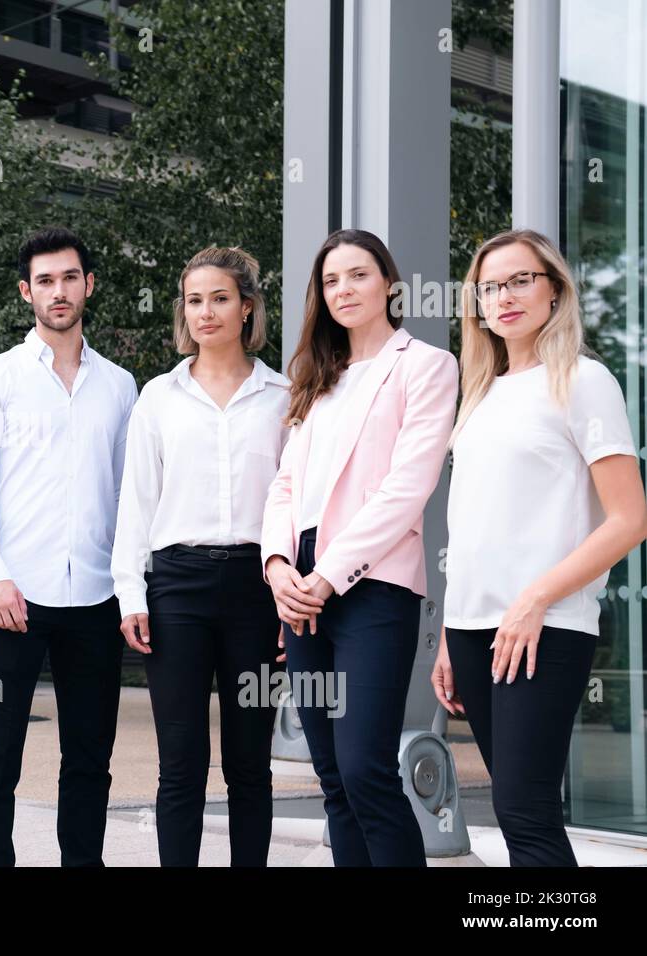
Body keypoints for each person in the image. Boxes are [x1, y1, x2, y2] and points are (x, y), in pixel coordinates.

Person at [433, 228, 647, 866]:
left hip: (544, 623)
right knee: (513, 806)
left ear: (554, 290)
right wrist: (450, 629)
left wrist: (534, 598)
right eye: (490, 287)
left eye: (521, 280)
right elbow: (472, 521)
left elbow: (630, 519)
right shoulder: (481, 393)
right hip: (475, 628)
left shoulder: (584, 381)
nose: (505, 296)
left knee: (524, 811)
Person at [260, 228, 458, 867]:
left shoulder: (426, 365)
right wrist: (278, 567)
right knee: (333, 780)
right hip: (304, 586)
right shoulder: (319, 380)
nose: (344, 290)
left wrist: (329, 575)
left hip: (373, 587)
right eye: (331, 280)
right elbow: (285, 483)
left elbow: (409, 487)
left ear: (389, 285)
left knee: (366, 767)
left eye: (358, 275)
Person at [0, 226, 138, 867]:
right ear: (26, 292)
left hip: (96, 599)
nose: (58, 292)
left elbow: (129, 499)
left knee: (90, 757)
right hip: (16, 598)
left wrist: (129, 588)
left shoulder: (120, 386)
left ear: (88, 285)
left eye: (70, 278)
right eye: (45, 281)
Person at [112, 245, 289, 866]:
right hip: (176, 591)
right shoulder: (158, 398)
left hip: (258, 591)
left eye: (220, 298)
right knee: (180, 762)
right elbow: (135, 503)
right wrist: (131, 594)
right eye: (194, 300)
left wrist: (292, 607)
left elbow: (297, 507)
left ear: (247, 308)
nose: (206, 312)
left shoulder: (285, 396)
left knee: (250, 762)